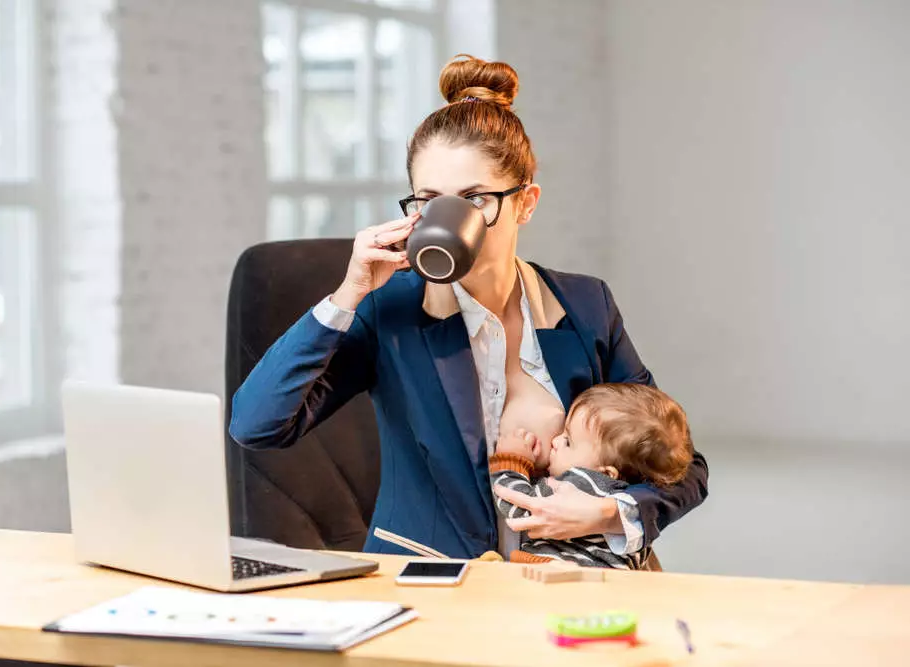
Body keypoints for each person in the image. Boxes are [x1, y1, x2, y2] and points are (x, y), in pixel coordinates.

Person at [229, 54, 709, 560]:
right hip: (431, 580)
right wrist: (348, 293)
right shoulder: (388, 312)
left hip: (569, 581)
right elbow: (257, 426)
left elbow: (682, 466)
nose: (449, 217)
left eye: (475, 198)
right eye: (430, 199)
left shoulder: (585, 305)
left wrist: (610, 513)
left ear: (525, 202)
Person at [491, 383, 694, 569]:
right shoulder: (623, 493)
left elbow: (519, 507)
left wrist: (513, 461)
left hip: (558, 576)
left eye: (568, 441)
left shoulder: (583, 483)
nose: (556, 441)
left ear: (605, 472)